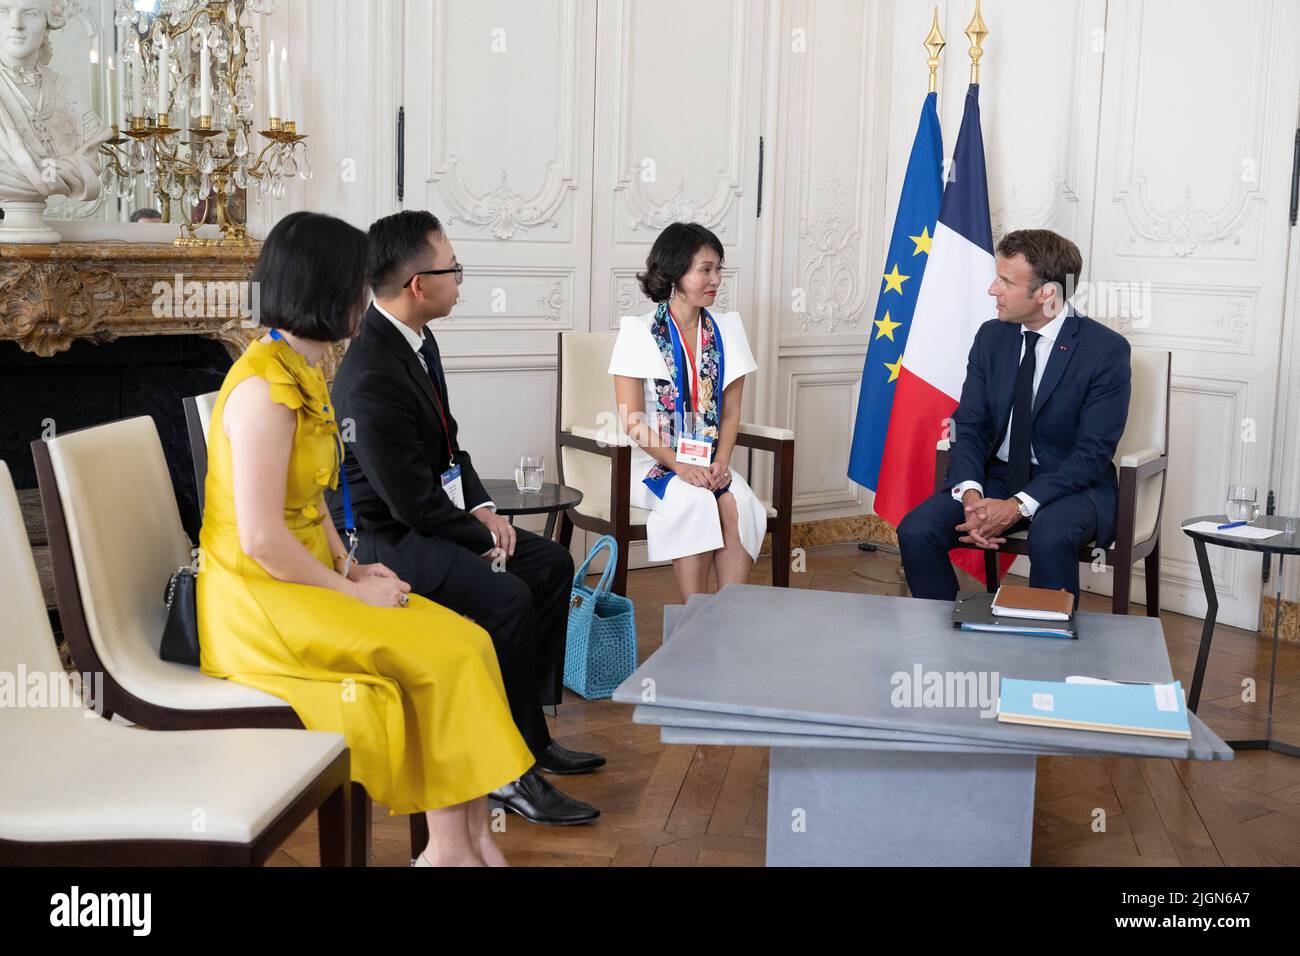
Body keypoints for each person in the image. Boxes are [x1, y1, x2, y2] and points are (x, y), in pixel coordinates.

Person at [196, 211, 534, 867]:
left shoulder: (301, 368)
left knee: (464, 641)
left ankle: (464, 841)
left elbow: (313, 502)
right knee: (438, 654)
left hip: (304, 577)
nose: (366, 294)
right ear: (326, 290)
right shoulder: (266, 390)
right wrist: (346, 592)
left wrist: (354, 572)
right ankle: (450, 848)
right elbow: (264, 539)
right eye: (356, 282)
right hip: (258, 599)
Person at [329, 210, 604, 828]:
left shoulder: (418, 339)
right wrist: (481, 534)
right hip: (391, 541)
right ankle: (506, 774)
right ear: (419, 286)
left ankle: (531, 736)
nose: (462, 279)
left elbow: (451, 449)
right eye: (454, 268)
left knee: (553, 564)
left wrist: (483, 506)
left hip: (432, 518)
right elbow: (408, 505)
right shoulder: (369, 374)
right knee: (506, 598)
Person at [896, 229, 1131, 601]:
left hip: (1071, 484)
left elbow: (1092, 454)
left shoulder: (1105, 351)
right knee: (916, 530)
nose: (992, 289)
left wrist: (1017, 506)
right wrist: (971, 493)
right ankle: (941, 641)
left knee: (1050, 536)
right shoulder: (992, 337)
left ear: (1047, 293)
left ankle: (1047, 652)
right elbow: (969, 424)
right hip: (999, 476)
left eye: (1006, 281)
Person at [609, 222, 764, 600]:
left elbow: (730, 414)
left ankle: (727, 619)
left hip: (710, 460)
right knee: (694, 501)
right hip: (653, 463)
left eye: (719, 269)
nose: (716, 279)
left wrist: (722, 461)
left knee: (739, 504)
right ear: (675, 273)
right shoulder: (638, 332)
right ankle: (694, 620)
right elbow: (632, 421)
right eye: (705, 269)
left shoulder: (728, 329)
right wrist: (680, 466)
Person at [0, 0, 109, 206]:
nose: (16, 24)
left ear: (48, 20)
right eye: (3, 11)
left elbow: (89, 160)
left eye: (30, 13)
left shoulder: (69, 92)